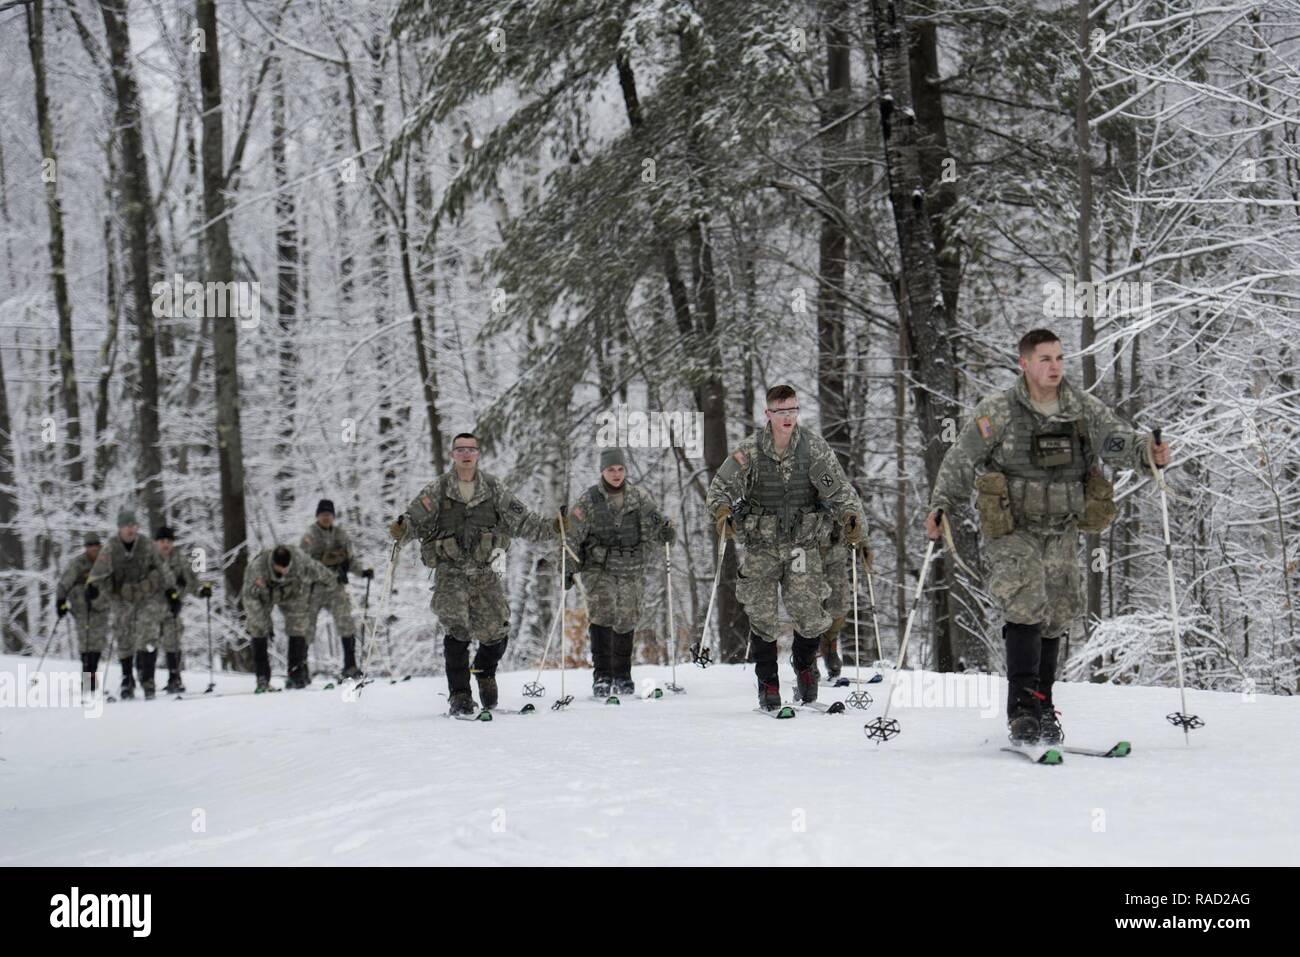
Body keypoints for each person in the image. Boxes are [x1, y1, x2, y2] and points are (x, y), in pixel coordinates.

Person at [925, 328, 1172, 745]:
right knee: (1025, 603)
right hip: (1013, 528)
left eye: (1059, 358)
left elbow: (1117, 442)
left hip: (1061, 528)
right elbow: (961, 458)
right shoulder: (999, 411)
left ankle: (1042, 705)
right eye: (1045, 359)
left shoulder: (1082, 410)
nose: (1055, 366)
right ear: (1025, 364)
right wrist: (941, 506)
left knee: (1057, 612)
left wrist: (1148, 453)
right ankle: (1021, 710)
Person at [706, 385, 868, 710]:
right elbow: (720, 487)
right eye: (781, 412)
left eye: (793, 410)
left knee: (809, 611)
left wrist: (852, 518)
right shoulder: (749, 451)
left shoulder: (812, 449)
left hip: (801, 546)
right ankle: (768, 682)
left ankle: (806, 668)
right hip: (763, 545)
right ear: (768, 414)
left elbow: (839, 491)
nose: (788, 417)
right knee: (761, 613)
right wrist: (723, 513)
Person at [388, 432, 559, 715]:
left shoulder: (494, 489)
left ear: (478, 454)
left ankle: (484, 669)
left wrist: (555, 527)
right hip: (450, 574)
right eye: (460, 450)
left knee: (497, 633)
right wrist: (400, 530)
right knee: (457, 632)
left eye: (471, 449)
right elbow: (413, 521)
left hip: (485, 573)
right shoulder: (437, 490)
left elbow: (524, 521)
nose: (466, 454)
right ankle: (460, 696)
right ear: (453, 455)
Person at [565, 448, 675, 697]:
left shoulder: (639, 497)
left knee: (627, 617)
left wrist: (667, 532)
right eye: (611, 469)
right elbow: (571, 534)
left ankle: (623, 674)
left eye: (620, 469)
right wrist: (567, 568)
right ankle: (602, 675)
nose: (616, 474)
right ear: (602, 471)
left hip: (630, 567)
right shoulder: (589, 500)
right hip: (599, 568)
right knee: (603, 614)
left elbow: (658, 523)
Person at [85, 510, 178, 700]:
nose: (130, 529)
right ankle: (127, 679)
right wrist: (92, 587)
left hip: (146, 595)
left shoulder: (146, 545)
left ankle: (148, 680)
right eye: (126, 526)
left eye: (133, 525)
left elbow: (162, 567)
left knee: (148, 635)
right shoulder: (111, 548)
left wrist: (172, 591)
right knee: (124, 637)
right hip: (121, 596)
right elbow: (98, 571)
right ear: (119, 528)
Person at [240, 544, 336, 690]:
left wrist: (333, 580)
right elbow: (250, 600)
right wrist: (265, 624)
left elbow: (317, 570)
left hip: (292, 594)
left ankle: (296, 674)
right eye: (280, 567)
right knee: (257, 628)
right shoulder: (257, 568)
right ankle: (263, 678)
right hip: (264, 596)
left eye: (287, 567)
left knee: (299, 625)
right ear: (273, 564)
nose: (284, 570)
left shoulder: (299, 560)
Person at [301, 499, 362, 679]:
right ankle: (300, 668)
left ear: (333, 516)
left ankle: (350, 666)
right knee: (307, 626)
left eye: (329, 514)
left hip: (336, 586)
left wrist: (362, 571)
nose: (326, 518)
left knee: (346, 623)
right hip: (315, 587)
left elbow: (350, 559)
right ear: (317, 516)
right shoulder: (310, 535)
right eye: (323, 514)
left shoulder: (340, 534)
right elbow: (303, 562)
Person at [56, 531, 110, 692]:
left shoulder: (106, 563)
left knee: (98, 643)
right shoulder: (77, 564)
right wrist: (60, 601)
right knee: (85, 643)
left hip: (101, 608)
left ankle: (92, 676)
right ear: (85, 547)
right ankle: (88, 677)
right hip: (82, 608)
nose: (93, 548)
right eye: (89, 545)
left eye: (95, 545)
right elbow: (64, 583)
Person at [152, 527, 201, 693]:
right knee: (149, 644)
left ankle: (175, 678)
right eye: (162, 541)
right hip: (150, 610)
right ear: (156, 543)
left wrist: (200, 590)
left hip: (172, 609)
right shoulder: (149, 559)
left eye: (168, 541)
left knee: (173, 642)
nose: (165, 545)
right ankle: (146, 680)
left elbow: (192, 581)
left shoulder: (180, 559)